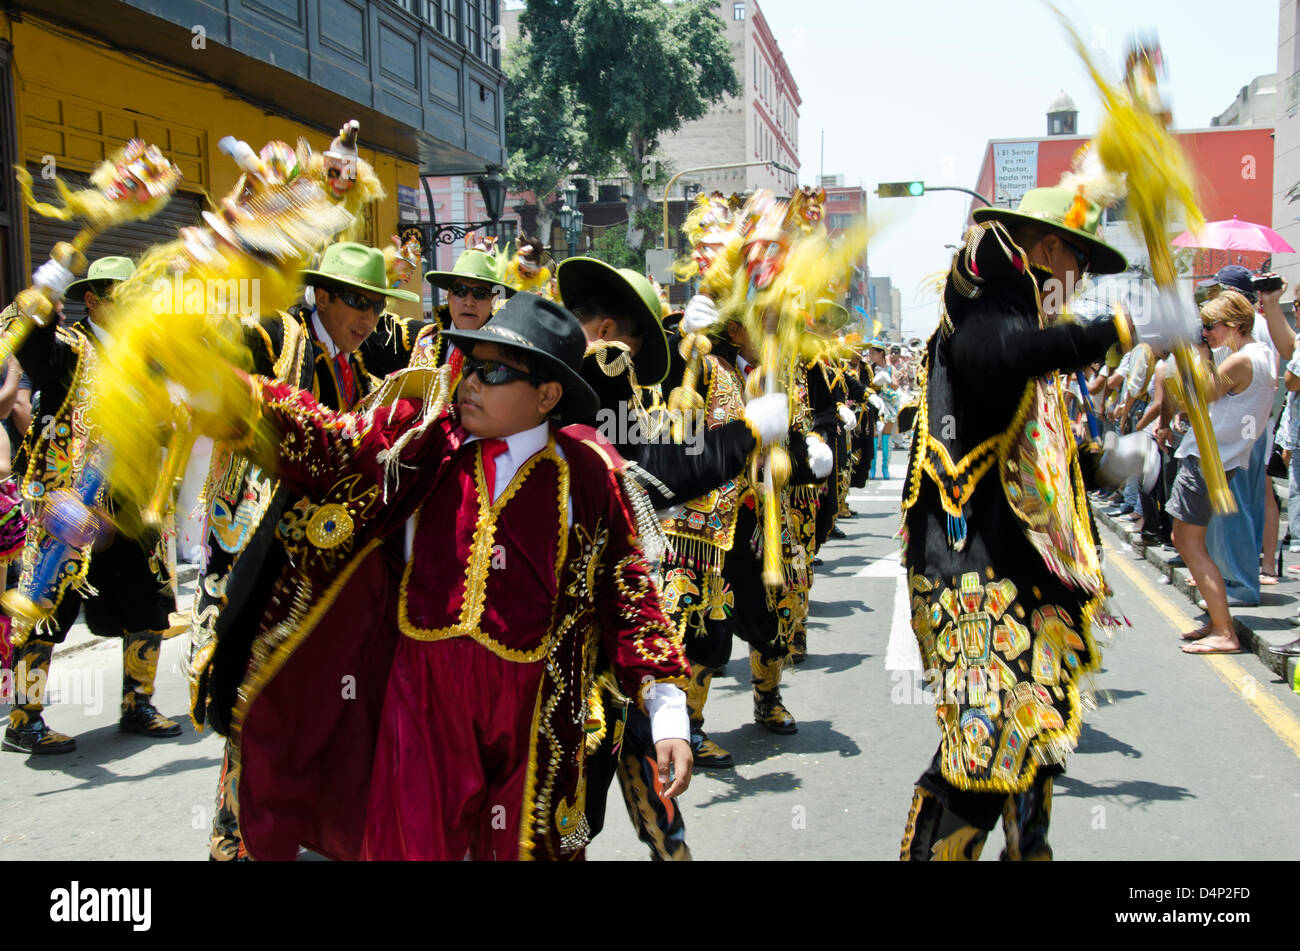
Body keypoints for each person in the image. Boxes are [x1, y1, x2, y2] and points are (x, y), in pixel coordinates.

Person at [170, 291, 692, 860]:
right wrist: (220, 388)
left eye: (493, 372)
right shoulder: (422, 446)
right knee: (411, 845)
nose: (469, 382)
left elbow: (627, 586)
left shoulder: (586, 471)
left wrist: (667, 709)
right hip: (421, 700)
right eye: (469, 363)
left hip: (536, 708)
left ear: (547, 394)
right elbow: (327, 444)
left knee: (528, 849)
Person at [898, 182, 1155, 860]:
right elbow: (996, 359)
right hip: (973, 569)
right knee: (983, 755)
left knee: (1035, 741)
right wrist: (1116, 330)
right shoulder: (986, 302)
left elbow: (1032, 452)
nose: (1081, 285)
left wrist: (1103, 464)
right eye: (1080, 266)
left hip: (1023, 570)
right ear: (1047, 249)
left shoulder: (1026, 323)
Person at [194, 241, 422, 860]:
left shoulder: (366, 374)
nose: (369, 318)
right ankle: (234, 834)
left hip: (324, 569)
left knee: (315, 701)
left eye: (377, 306)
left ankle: (300, 827)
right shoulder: (274, 336)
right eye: (357, 302)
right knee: (251, 688)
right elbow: (223, 357)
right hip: (261, 550)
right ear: (321, 295)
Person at [2, 256, 182, 754]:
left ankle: (137, 703)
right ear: (95, 302)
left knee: (148, 600)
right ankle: (23, 716)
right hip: (68, 500)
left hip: (130, 500)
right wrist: (40, 300)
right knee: (46, 606)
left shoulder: (148, 357)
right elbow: (29, 340)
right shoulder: (68, 349)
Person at [1163, 291, 1277, 655]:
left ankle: (1224, 631)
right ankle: (1217, 621)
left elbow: (1197, 395)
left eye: (1210, 325)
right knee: (1192, 542)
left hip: (1208, 459)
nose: (1206, 332)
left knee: (1188, 544)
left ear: (1233, 324)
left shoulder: (1241, 361)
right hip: (1221, 458)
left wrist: (1195, 355)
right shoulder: (1262, 356)